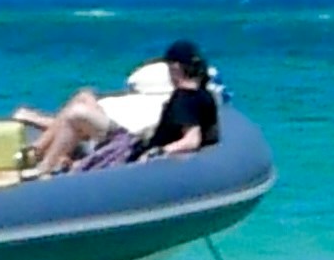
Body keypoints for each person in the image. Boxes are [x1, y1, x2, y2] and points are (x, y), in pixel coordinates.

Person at [19, 43, 217, 180]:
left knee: (76, 115)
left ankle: (44, 171)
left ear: (175, 68)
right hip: (131, 140)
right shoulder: (201, 93)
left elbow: (192, 139)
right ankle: (37, 150)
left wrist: (161, 151)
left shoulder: (185, 98)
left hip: (125, 149)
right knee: (84, 96)